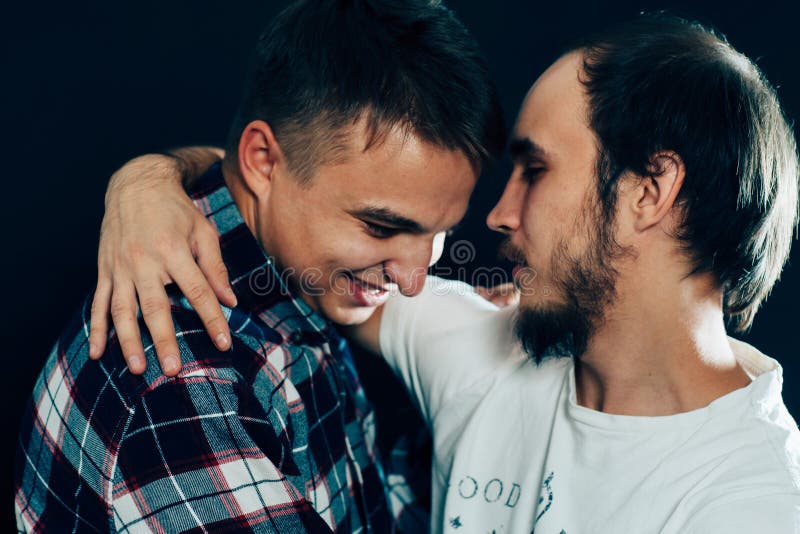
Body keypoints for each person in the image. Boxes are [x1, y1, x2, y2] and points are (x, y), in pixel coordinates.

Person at [85, 13, 800, 533]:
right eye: (512, 170)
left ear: (651, 189)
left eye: (536, 169)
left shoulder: (751, 501)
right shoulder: (481, 346)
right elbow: (294, 213)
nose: (497, 214)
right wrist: (151, 182)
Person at [12, 0, 505, 531]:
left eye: (440, 232)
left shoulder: (291, 284)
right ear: (263, 162)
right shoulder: (183, 387)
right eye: (382, 227)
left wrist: (491, 390)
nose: (413, 278)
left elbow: (363, 512)